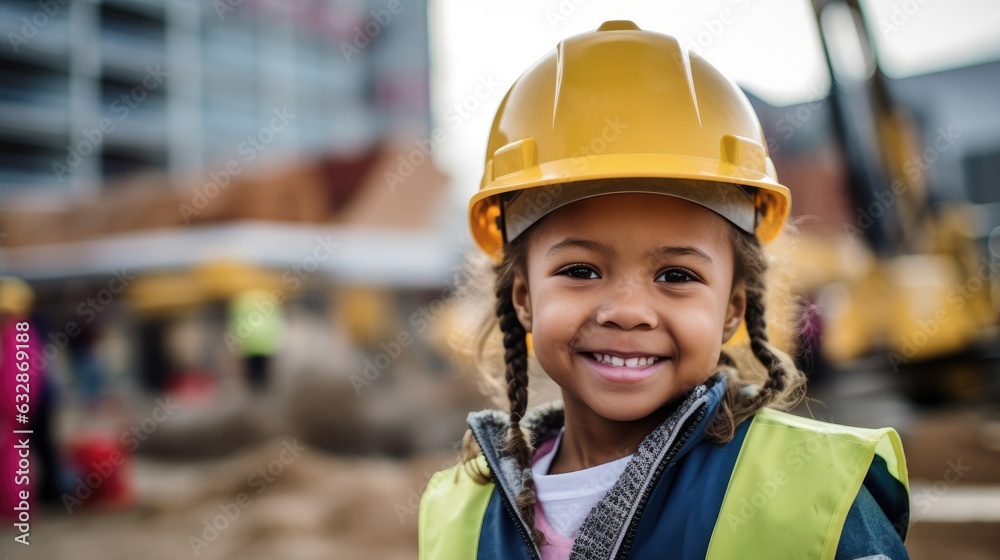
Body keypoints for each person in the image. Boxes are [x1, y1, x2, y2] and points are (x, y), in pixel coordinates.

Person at [418, 21, 909, 560]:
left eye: (676, 276)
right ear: (523, 297)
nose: (628, 312)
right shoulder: (457, 511)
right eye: (581, 270)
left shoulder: (817, 496)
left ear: (732, 308)